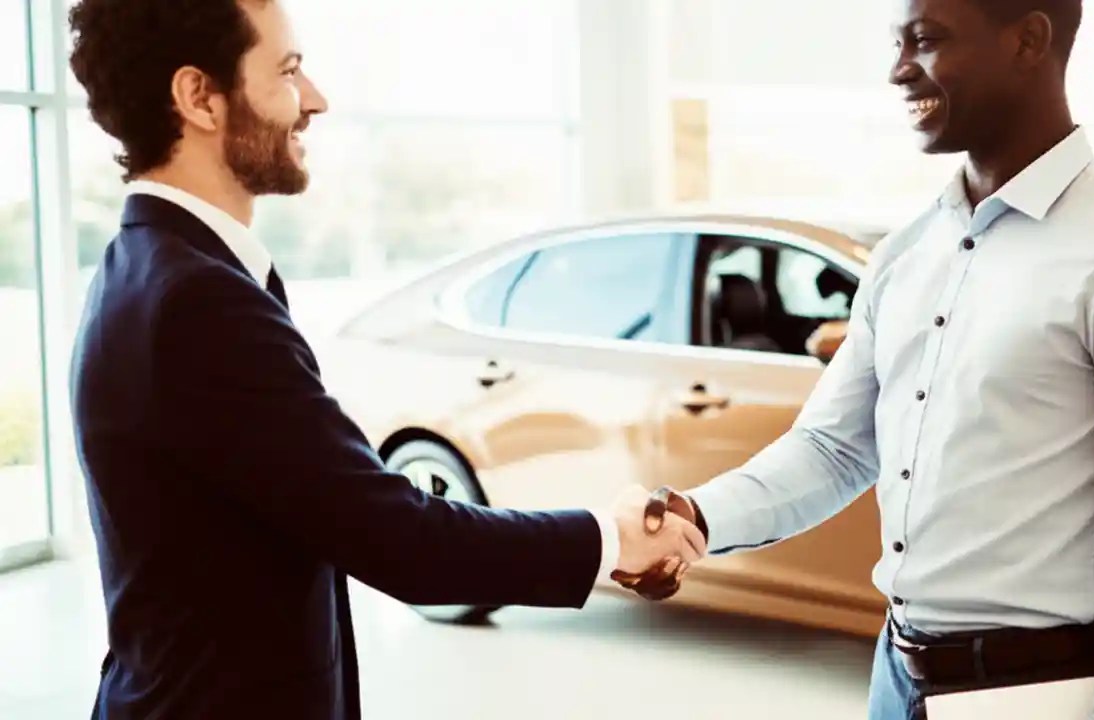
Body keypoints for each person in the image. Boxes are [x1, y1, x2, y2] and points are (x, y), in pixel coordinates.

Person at [67, 1, 704, 717]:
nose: (315, 100)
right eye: (288, 70)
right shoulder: (197, 301)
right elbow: (399, 539)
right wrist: (609, 536)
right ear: (198, 98)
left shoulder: (147, 268)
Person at [624, 0, 1094, 717]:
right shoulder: (905, 254)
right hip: (898, 675)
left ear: (1028, 41)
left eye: (927, 40)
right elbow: (834, 449)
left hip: (1042, 691)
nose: (897, 69)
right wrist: (700, 516)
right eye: (897, 42)